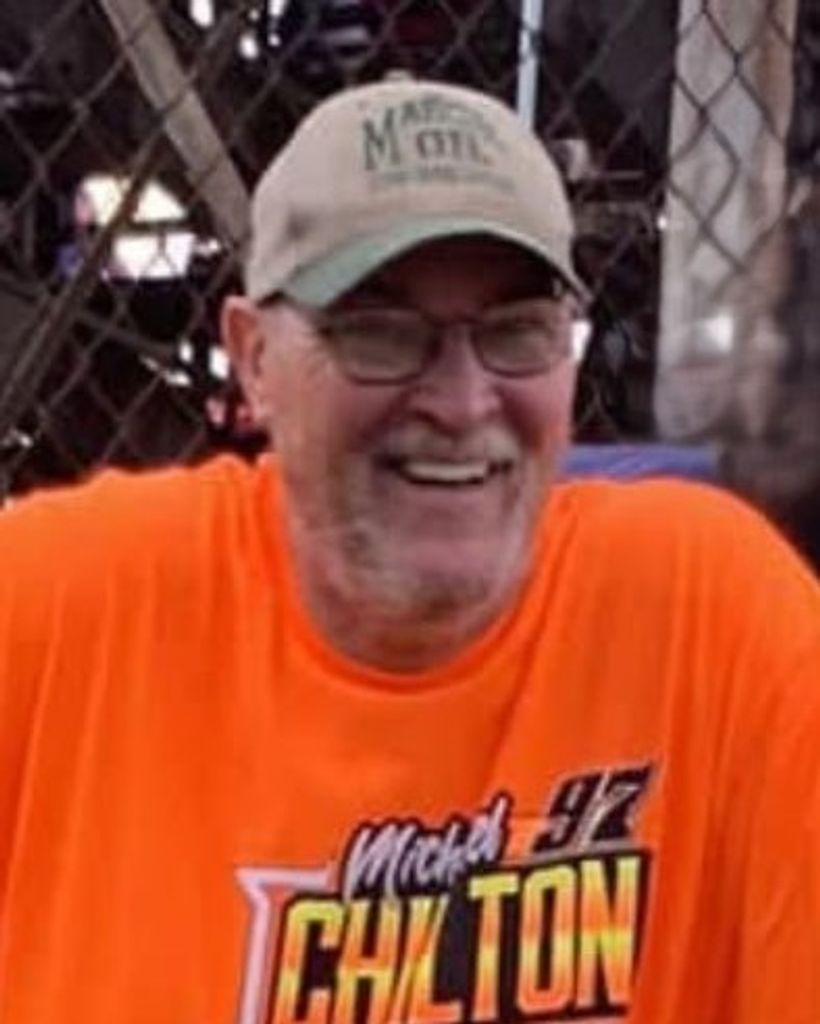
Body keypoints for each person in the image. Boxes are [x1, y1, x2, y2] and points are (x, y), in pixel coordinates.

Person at [0, 77, 818, 1024]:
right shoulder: (62, 608)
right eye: (380, 335)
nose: (462, 403)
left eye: (516, 332)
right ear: (254, 358)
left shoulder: (708, 620)